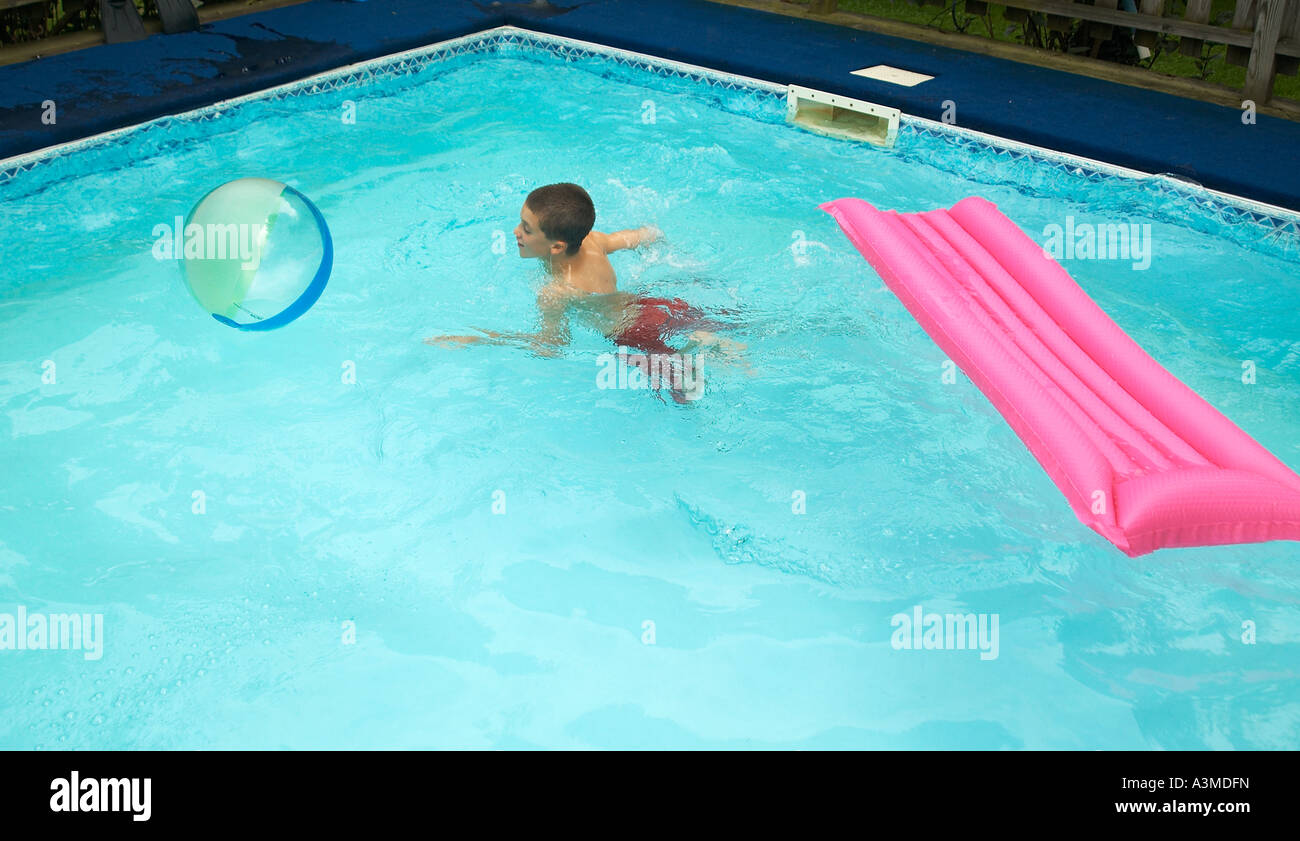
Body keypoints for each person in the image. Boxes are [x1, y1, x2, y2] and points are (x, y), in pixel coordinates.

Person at [424, 183, 742, 372]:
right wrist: (663, 243)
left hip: (633, 335)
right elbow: (638, 237)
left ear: (557, 246)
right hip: (651, 304)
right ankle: (712, 340)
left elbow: (550, 346)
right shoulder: (592, 241)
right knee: (735, 325)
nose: (515, 232)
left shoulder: (556, 292)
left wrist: (478, 338)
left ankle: (704, 347)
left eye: (526, 229)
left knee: (682, 384)